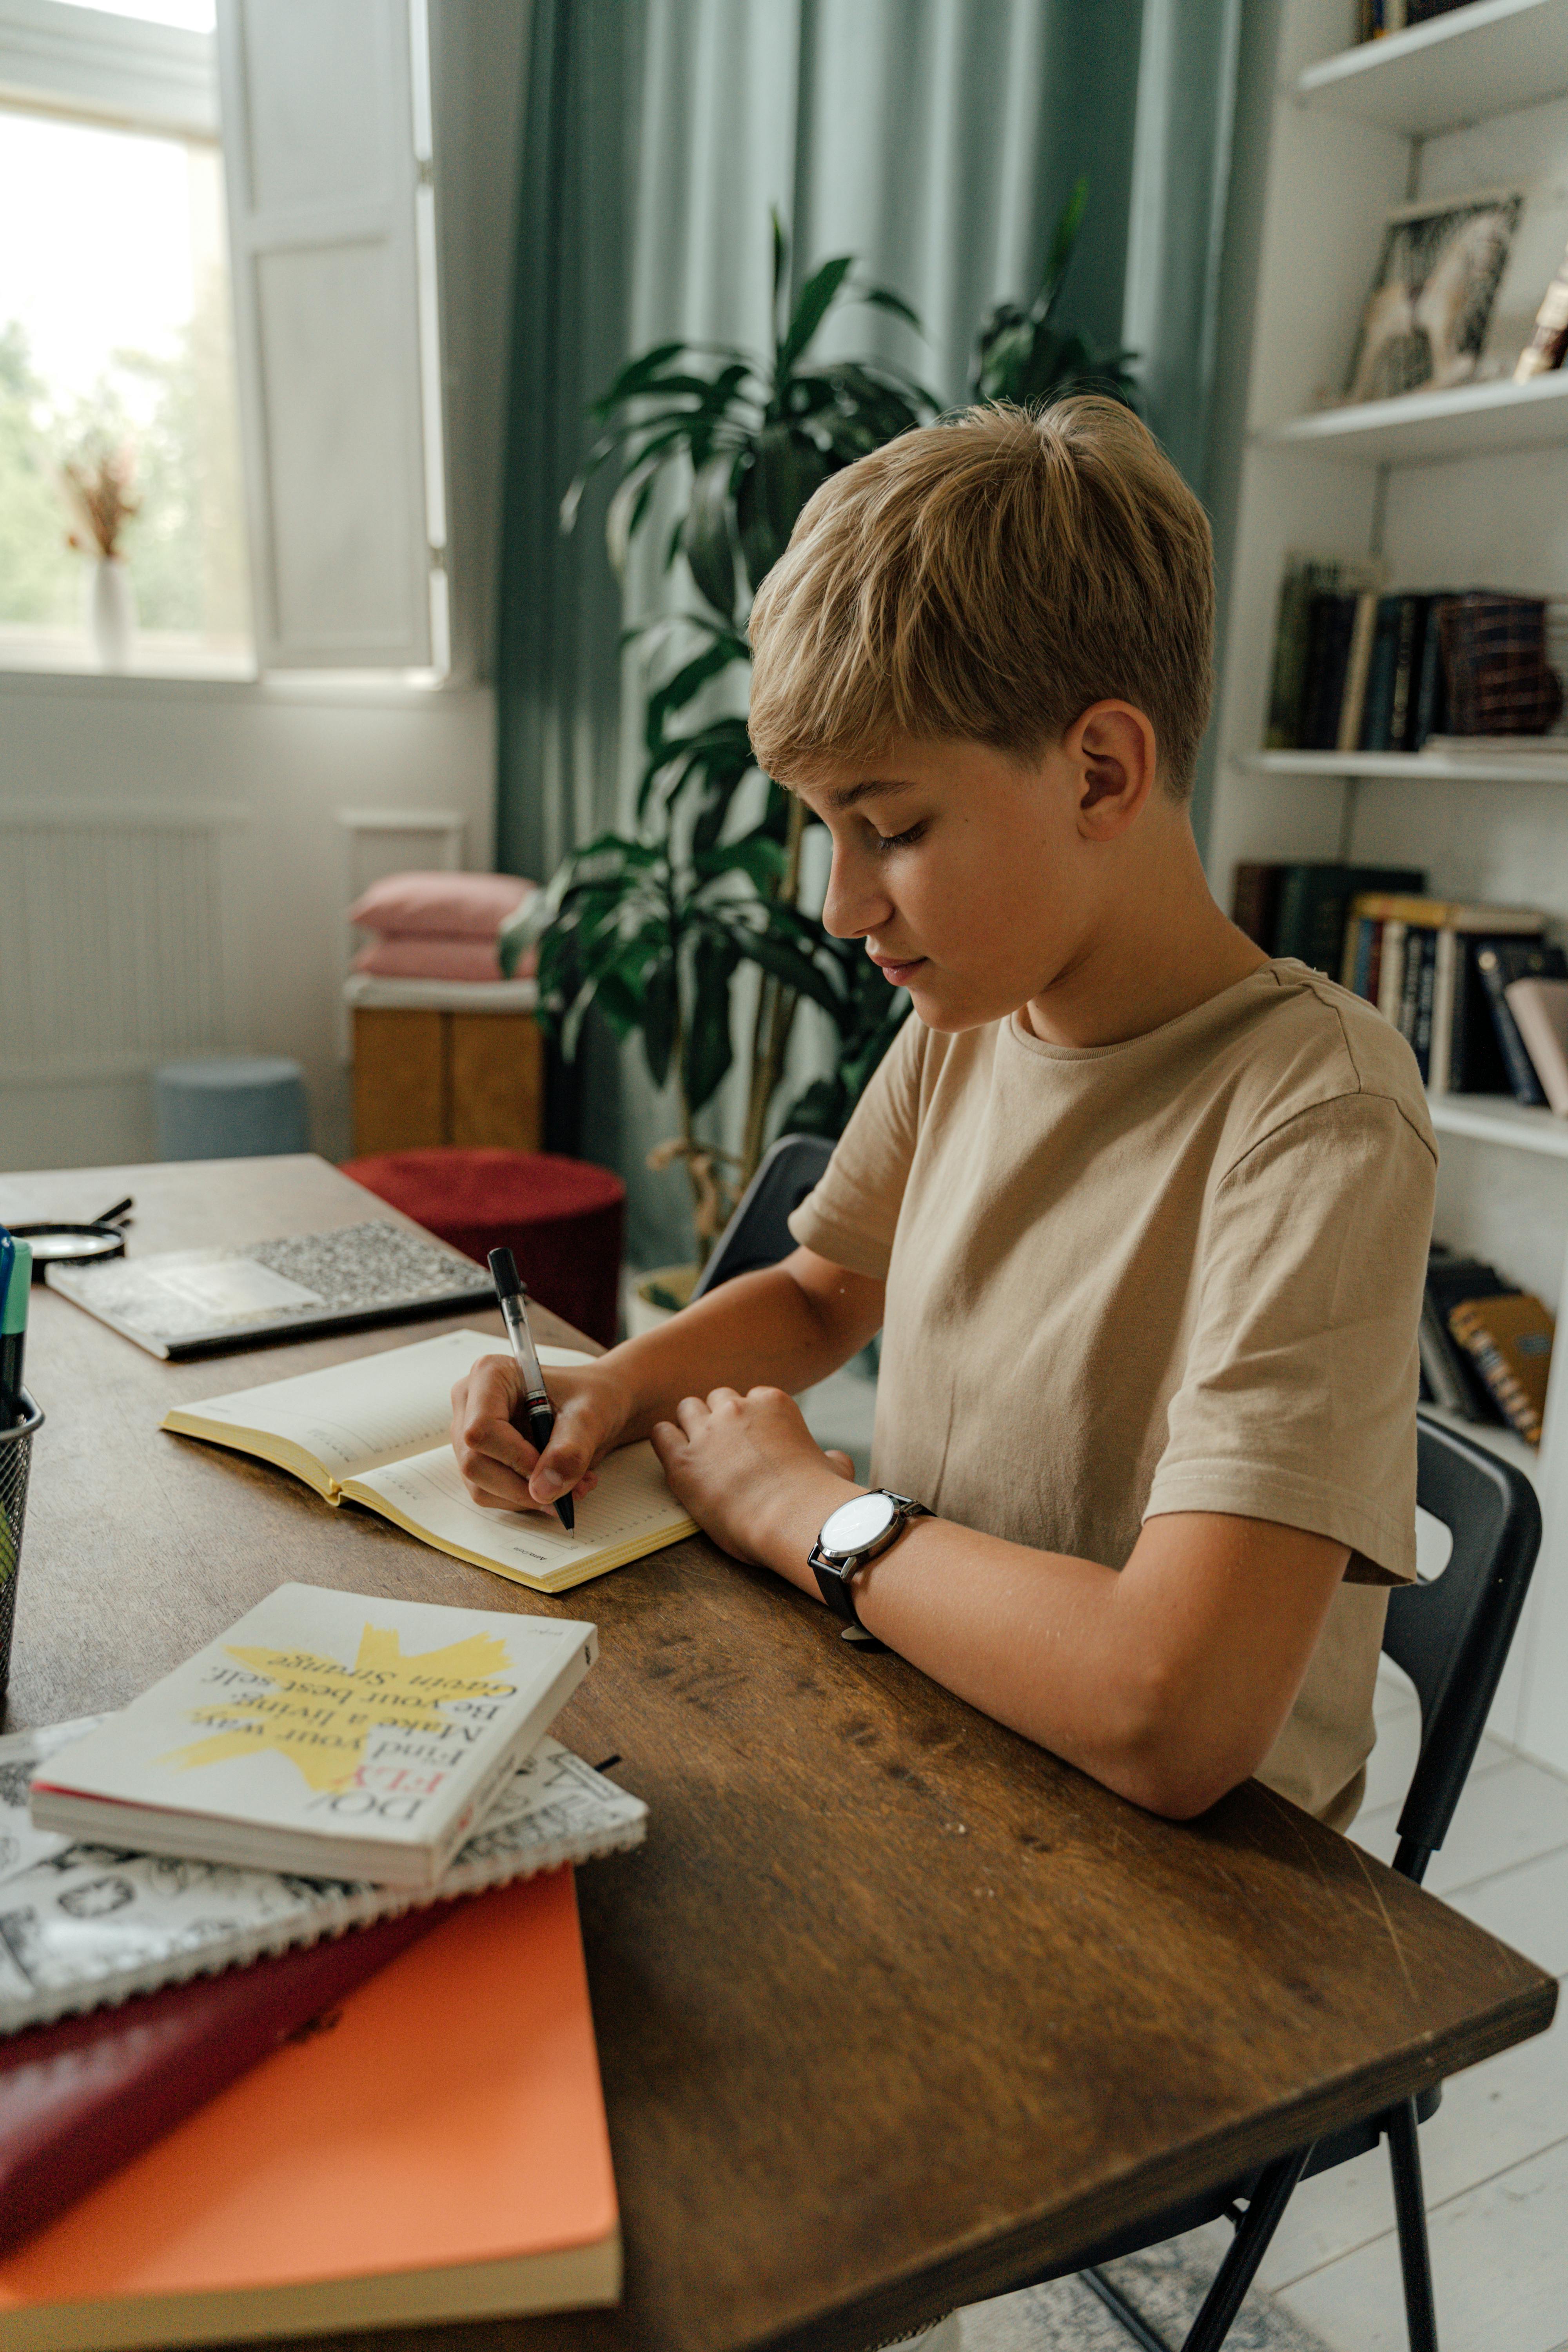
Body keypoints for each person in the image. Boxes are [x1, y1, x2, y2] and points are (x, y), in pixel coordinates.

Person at [451, 397, 1435, 1833]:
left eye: (892, 828)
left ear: (1103, 770)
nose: (843, 907)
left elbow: (1174, 1711)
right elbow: (820, 1290)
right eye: (825, 832)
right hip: (935, 1728)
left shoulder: (1318, 1118)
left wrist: (808, 1511)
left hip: (1186, 1886)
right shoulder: (970, 1017)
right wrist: (616, 1385)